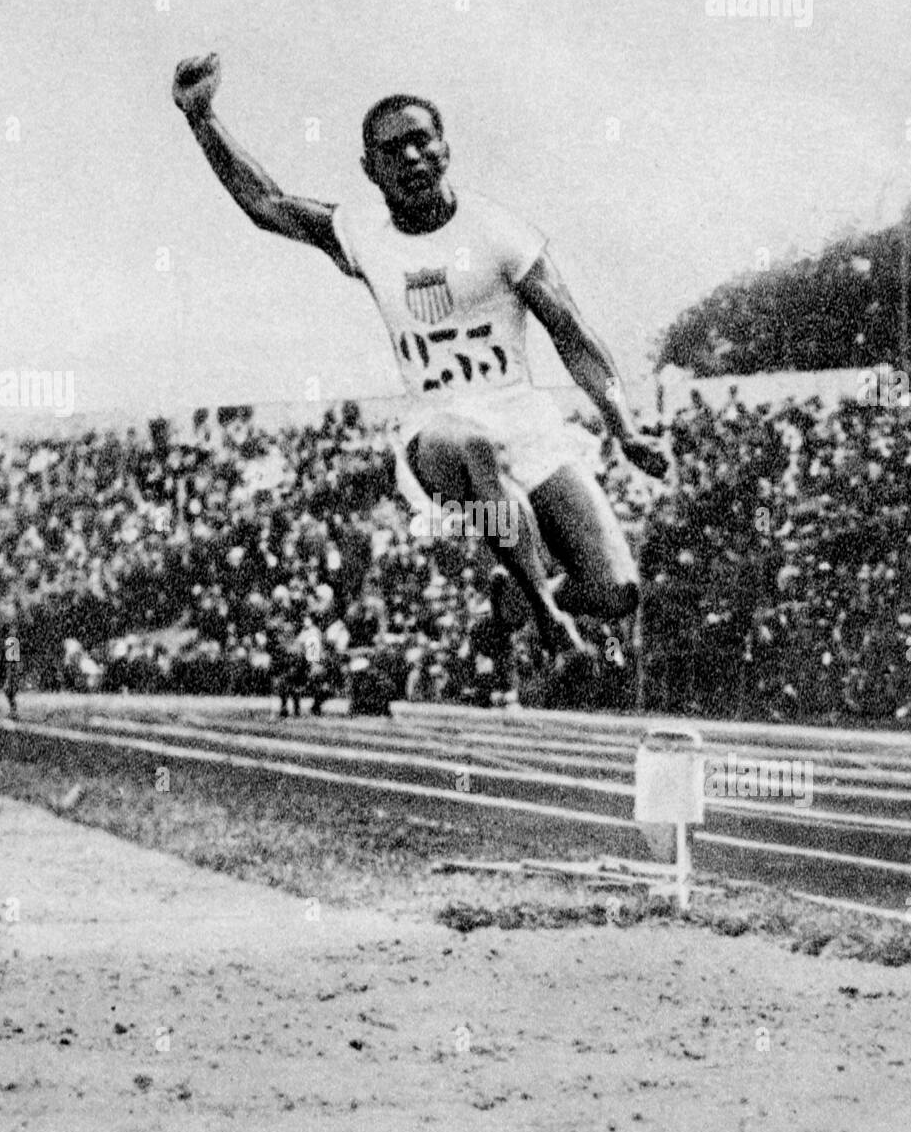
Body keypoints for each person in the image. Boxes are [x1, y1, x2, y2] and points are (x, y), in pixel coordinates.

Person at [172, 53, 667, 674]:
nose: (409, 158)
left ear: (444, 149)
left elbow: (572, 335)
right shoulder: (363, 233)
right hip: (438, 430)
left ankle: (512, 598)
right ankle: (545, 615)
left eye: (420, 142)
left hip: (526, 420)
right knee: (471, 444)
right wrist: (201, 118)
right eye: (391, 151)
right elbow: (266, 204)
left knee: (615, 591)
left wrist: (623, 426)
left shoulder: (499, 233)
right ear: (369, 169)